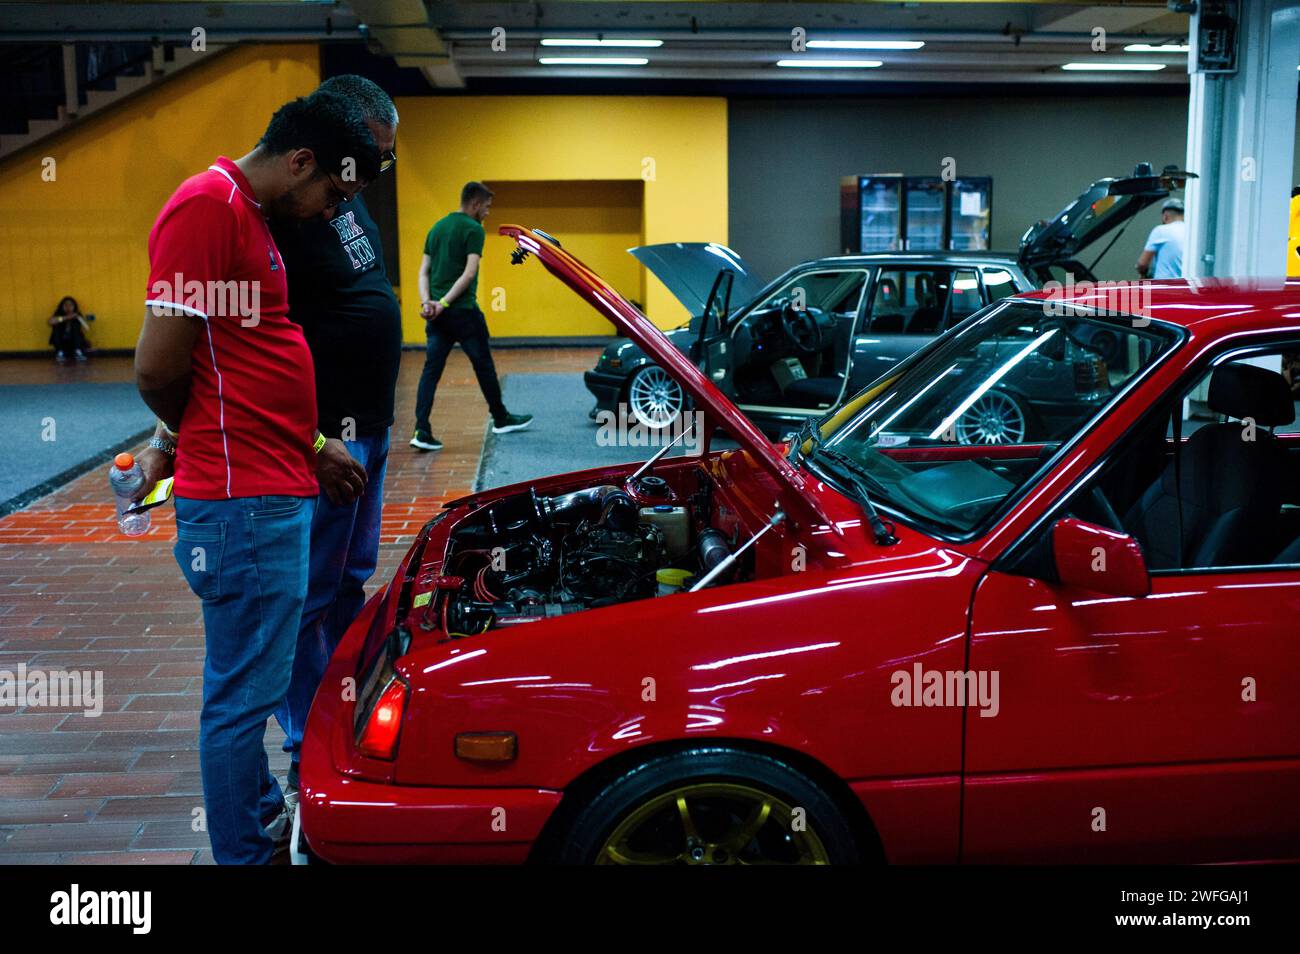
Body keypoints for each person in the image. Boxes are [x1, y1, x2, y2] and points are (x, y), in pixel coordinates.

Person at [131, 89, 377, 865]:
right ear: (301, 161)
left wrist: (306, 444)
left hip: (269, 485)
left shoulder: (247, 215)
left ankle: (258, 824)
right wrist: (198, 436)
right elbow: (158, 365)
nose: (326, 210)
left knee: (253, 690)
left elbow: (236, 361)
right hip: (241, 505)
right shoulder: (206, 207)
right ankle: (246, 853)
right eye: (331, 194)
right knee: (242, 701)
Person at [267, 75, 400, 798]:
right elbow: (255, 339)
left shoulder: (346, 202)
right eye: (373, 156)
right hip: (325, 444)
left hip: (367, 429)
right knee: (307, 597)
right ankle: (305, 740)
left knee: (349, 582)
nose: (378, 172)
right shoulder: (282, 211)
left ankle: (343, 709)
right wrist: (314, 440)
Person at [411, 181, 531, 451]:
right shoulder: (473, 229)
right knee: (483, 366)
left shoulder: (437, 227)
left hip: (438, 317)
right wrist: (443, 302)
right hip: (463, 312)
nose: (488, 213)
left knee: (430, 372)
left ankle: (421, 429)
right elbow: (469, 272)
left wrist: (428, 302)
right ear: (475, 204)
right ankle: (500, 418)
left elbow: (423, 272)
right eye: (487, 207)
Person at [1136, 198, 1186, 279]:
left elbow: (1142, 264)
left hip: (1164, 286)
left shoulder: (1160, 230)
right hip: (1186, 286)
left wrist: (1143, 273)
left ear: (1165, 216)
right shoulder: (1192, 232)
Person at [48, 296, 90, 363]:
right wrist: (66, 318)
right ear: (62, 306)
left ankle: (78, 352)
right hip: (61, 343)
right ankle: (60, 353)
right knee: (56, 326)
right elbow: (50, 322)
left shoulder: (76, 315)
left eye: (70, 305)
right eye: (66, 305)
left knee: (75, 325)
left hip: (74, 343)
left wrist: (78, 317)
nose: (68, 307)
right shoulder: (58, 314)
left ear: (74, 306)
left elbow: (87, 328)